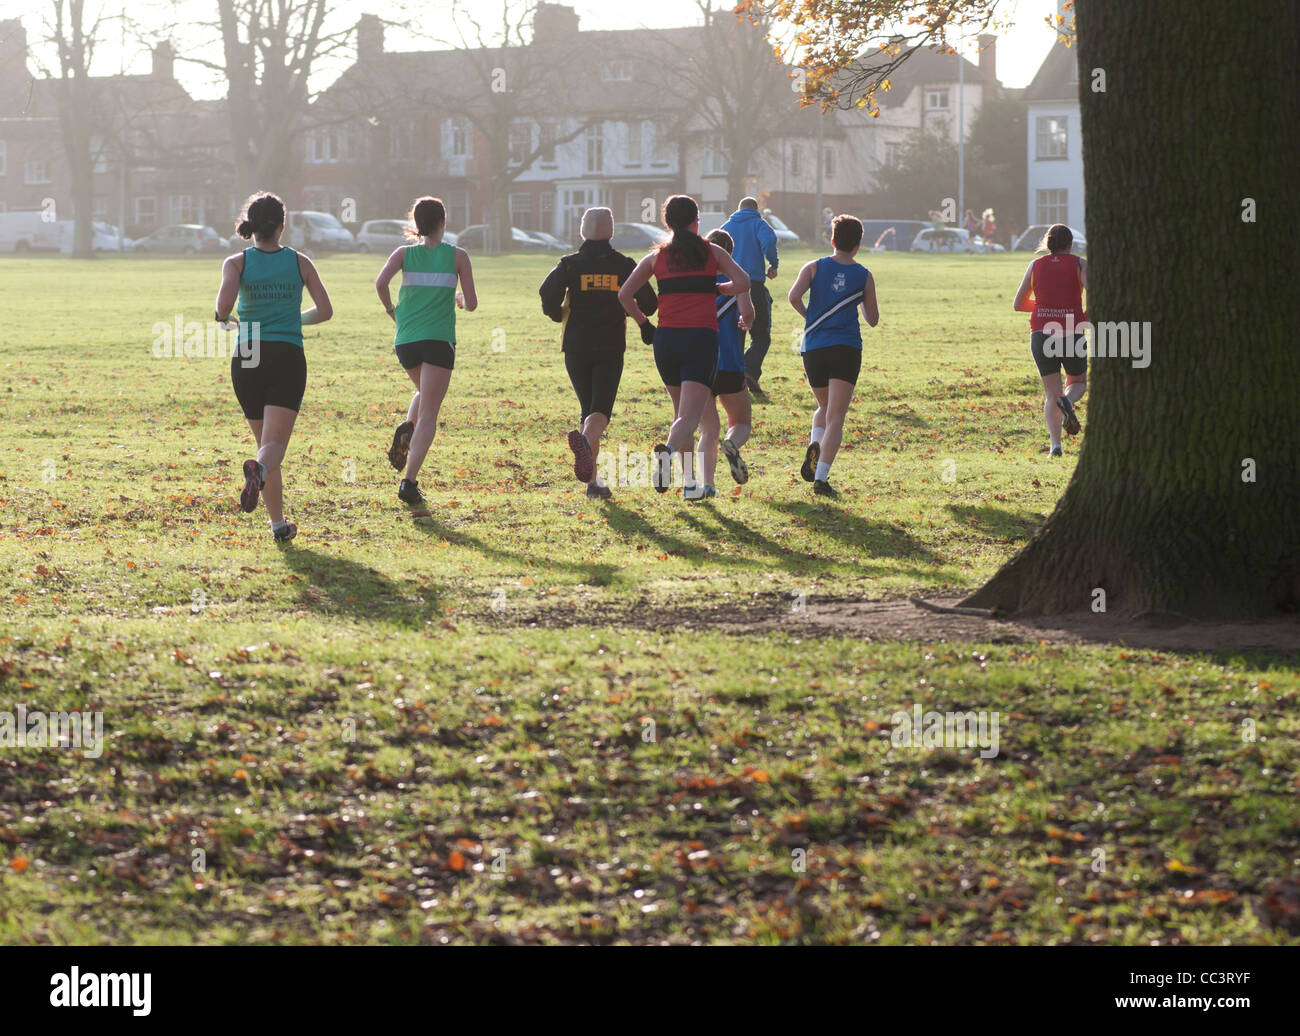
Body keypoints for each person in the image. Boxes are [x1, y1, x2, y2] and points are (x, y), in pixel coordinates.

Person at [214, 191, 332, 542]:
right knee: (273, 447)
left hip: (248, 352)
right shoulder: (300, 262)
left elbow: (223, 307)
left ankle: (279, 526)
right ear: (282, 225)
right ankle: (259, 471)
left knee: (264, 441)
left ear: (251, 227)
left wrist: (225, 319)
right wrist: (294, 319)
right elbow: (325, 311)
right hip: (286, 353)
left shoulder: (236, 262)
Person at [618, 194, 750, 500]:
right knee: (689, 418)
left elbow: (624, 295)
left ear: (667, 222)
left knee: (681, 413)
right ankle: (666, 451)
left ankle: (690, 485)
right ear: (696, 220)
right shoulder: (712, 251)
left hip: (666, 340)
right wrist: (719, 287)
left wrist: (643, 324)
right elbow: (743, 283)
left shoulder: (656, 257)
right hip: (700, 340)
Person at [539, 206, 658, 499]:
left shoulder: (569, 264)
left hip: (576, 345)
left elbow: (546, 294)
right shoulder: (624, 265)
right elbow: (650, 302)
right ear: (612, 230)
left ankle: (594, 483)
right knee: (600, 411)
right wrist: (636, 315)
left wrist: (558, 315)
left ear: (583, 230)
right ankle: (585, 447)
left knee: (589, 410)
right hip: (610, 345)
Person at [375, 196, 477, 505]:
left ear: (416, 224)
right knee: (431, 412)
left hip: (406, 339)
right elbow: (471, 304)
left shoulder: (403, 253)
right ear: (443, 222)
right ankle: (409, 482)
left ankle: (409, 426)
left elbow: (380, 284)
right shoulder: (458, 256)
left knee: (424, 392)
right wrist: (458, 297)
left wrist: (393, 311)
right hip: (438, 339)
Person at [787, 214, 879, 498]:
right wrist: (860, 301)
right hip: (846, 347)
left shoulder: (813, 267)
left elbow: (793, 297)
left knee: (824, 406)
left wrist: (811, 318)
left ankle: (815, 442)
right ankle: (821, 478)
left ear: (832, 239)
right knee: (836, 416)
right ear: (858, 244)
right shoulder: (864, 275)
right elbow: (873, 319)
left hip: (814, 346)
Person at [1012, 223, 1087, 456]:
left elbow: (1018, 304)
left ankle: (1055, 446)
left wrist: (1046, 306)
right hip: (1071, 330)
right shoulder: (1079, 263)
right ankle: (1068, 402)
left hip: (1041, 333)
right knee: (1078, 383)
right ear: (1070, 244)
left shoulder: (1035, 265)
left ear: (1048, 244)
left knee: (1050, 394)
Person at [698, 229, 756, 497]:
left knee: (708, 429)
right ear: (729, 253)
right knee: (742, 420)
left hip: (699, 363)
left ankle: (707, 485)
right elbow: (747, 312)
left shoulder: (697, 277)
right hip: (730, 361)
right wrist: (748, 322)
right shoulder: (736, 277)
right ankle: (732, 443)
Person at [719, 197, 778, 396]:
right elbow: (769, 240)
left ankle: (735, 379)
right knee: (761, 335)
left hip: (729, 285)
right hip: (753, 283)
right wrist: (773, 263)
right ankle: (749, 370)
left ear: (738, 209)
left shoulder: (726, 225)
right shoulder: (759, 224)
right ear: (756, 209)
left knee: (736, 334)